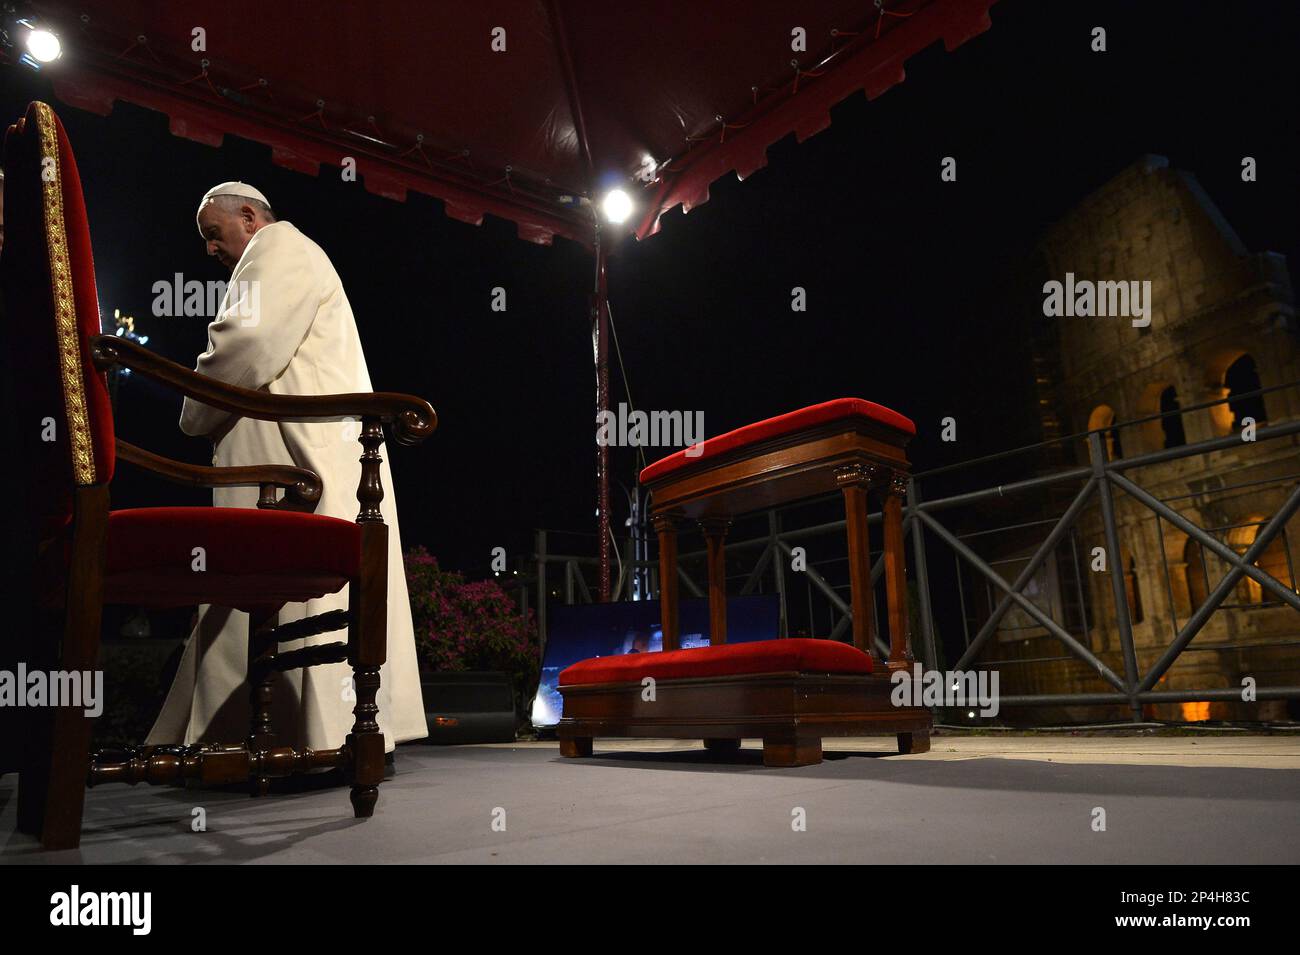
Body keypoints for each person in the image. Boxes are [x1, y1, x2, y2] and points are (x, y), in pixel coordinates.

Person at [146, 182, 428, 758]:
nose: (209, 250)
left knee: (285, 601)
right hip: (299, 459)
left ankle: (290, 736)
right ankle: (286, 735)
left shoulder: (277, 247)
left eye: (213, 234)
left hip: (299, 471)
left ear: (249, 217)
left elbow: (246, 346)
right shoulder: (289, 254)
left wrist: (192, 414)